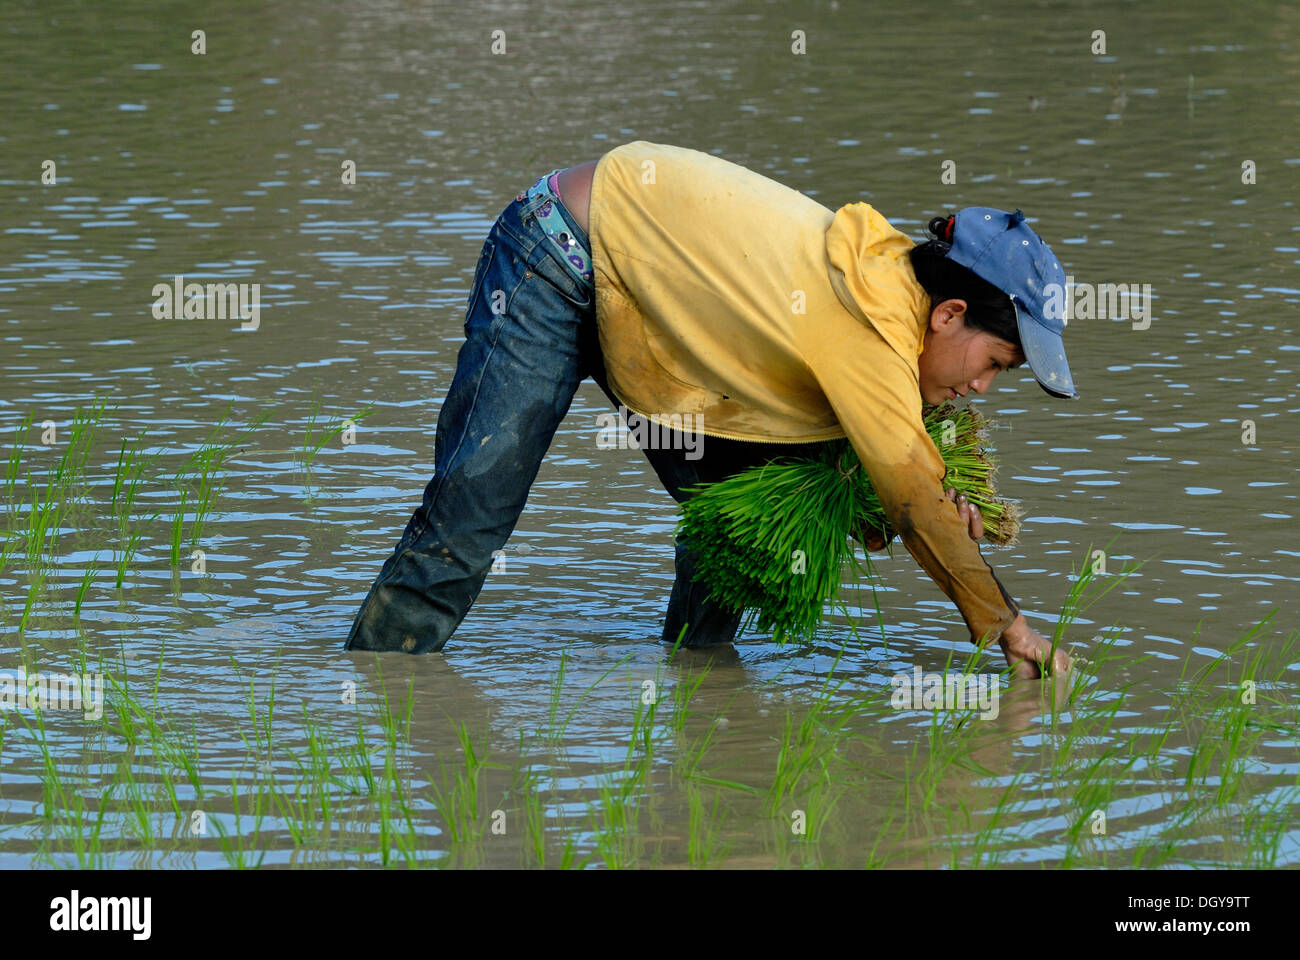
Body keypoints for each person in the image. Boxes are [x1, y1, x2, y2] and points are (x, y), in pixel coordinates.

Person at [344, 140, 1076, 679]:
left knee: (736, 522)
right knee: (474, 506)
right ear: (948, 315)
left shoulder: (887, 296)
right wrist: (1007, 627)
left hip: (656, 317)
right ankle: (375, 691)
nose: (982, 388)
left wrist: (918, 513)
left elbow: (891, 493)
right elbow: (911, 495)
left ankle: (701, 693)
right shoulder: (870, 324)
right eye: (995, 365)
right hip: (557, 252)